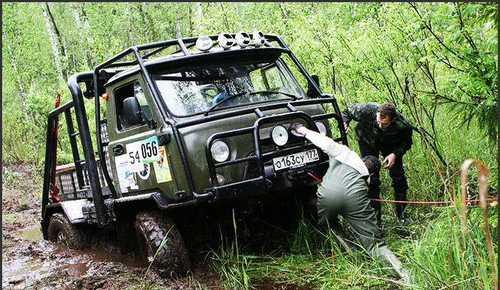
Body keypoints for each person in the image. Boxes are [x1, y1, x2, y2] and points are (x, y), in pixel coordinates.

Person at [292, 124, 410, 282]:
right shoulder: (366, 181)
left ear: (363, 159)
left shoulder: (347, 153)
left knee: (329, 225)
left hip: (327, 197)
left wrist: (303, 130)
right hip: (356, 199)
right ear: (373, 172)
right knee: (376, 245)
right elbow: (368, 211)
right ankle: (406, 277)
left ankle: (351, 256)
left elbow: (326, 143)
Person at [342, 103, 413, 226]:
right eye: (378, 121)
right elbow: (346, 112)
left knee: (398, 178)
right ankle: (376, 221)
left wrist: (395, 154)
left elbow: (407, 142)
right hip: (367, 140)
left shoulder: (403, 125)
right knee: (371, 178)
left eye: (384, 123)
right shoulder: (366, 110)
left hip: (389, 145)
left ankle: (402, 215)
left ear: (392, 119)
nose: (380, 125)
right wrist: (345, 122)